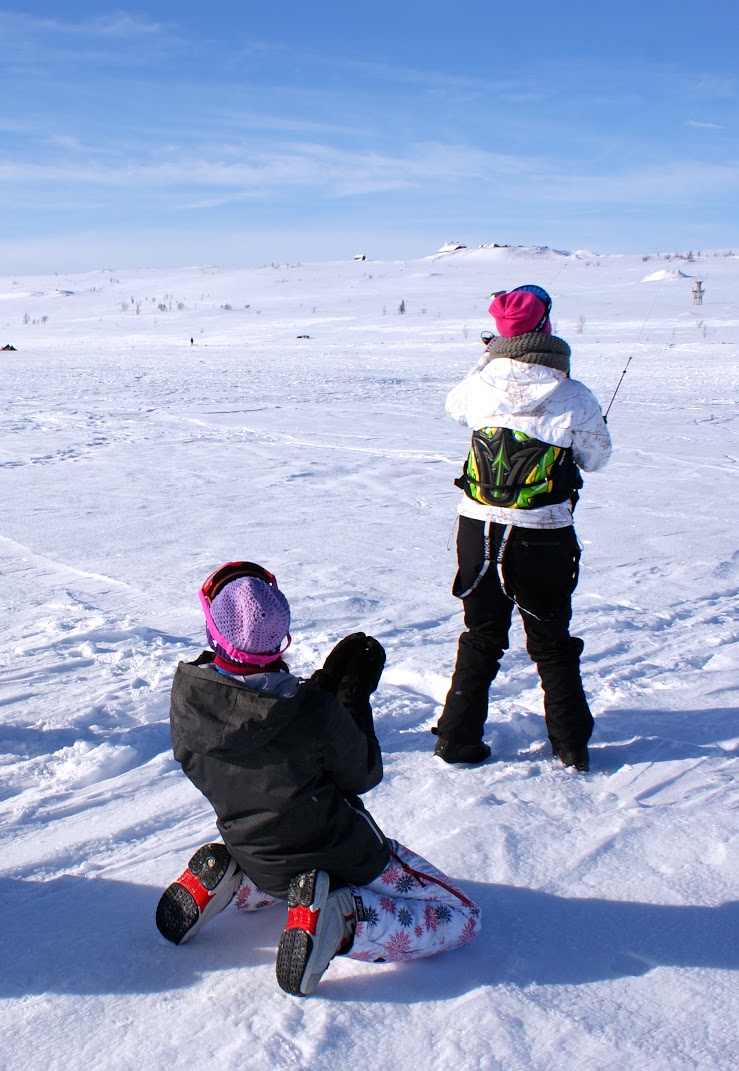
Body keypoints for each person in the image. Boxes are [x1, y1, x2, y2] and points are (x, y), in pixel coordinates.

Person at [158, 562, 481, 996]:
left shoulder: (189, 698)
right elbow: (362, 773)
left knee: (284, 879)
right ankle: (343, 920)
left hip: (257, 854)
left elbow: (260, 726)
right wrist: (351, 698)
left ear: (214, 632)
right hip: (344, 856)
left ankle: (229, 879)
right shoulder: (311, 713)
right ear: (281, 635)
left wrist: (325, 688)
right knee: (461, 915)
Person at [431, 285, 612, 772]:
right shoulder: (574, 394)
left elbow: (454, 407)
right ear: (547, 328)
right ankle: (570, 745)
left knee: (480, 634)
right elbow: (597, 459)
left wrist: (485, 362)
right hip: (543, 532)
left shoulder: (479, 384)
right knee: (552, 642)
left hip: (478, 528)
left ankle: (455, 737)